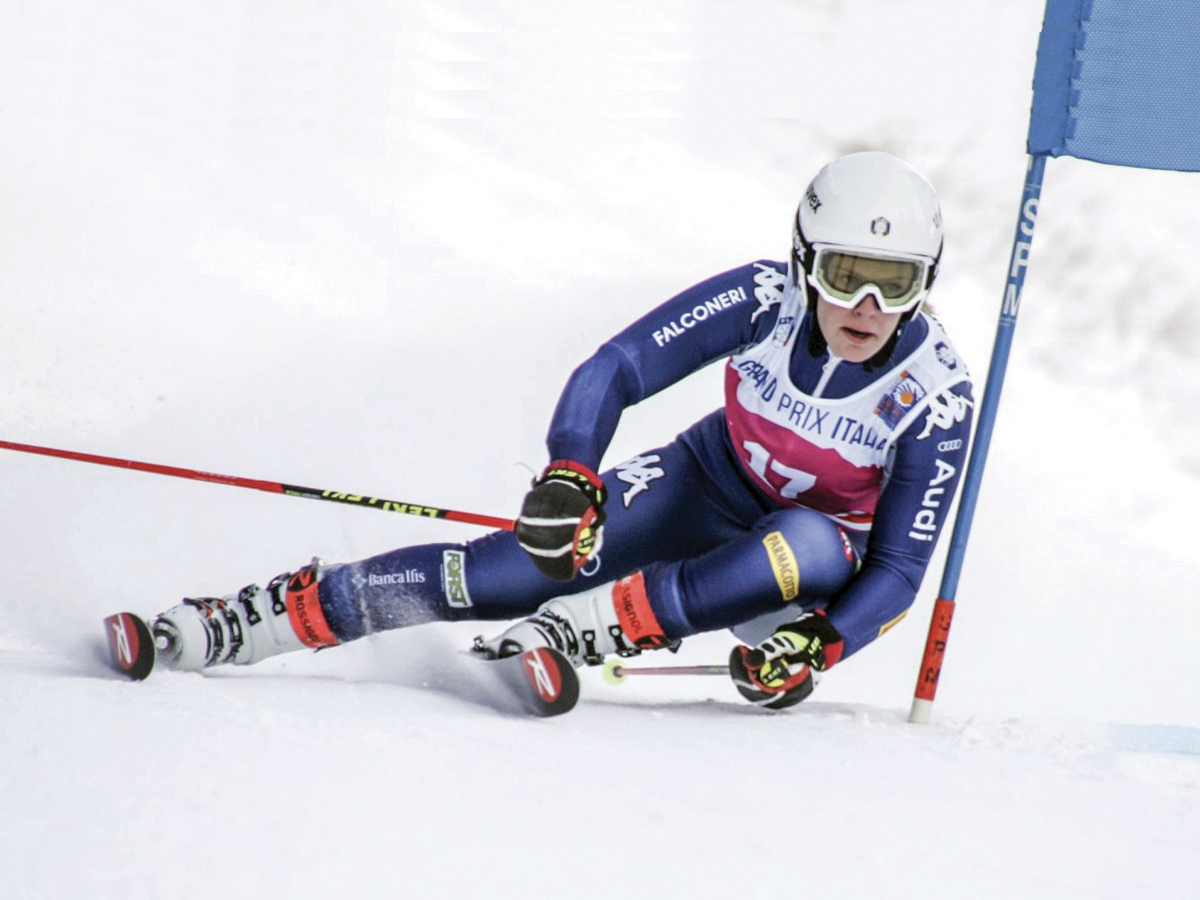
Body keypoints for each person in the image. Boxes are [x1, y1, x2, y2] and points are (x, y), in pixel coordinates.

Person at [149, 151, 974, 709]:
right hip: (703, 480)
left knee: (809, 540)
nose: (868, 309)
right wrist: (571, 472)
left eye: (895, 285)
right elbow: (617, 367)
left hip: (800, 582)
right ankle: (268, 617)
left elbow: (900, 566)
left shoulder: (933, 394)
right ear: (804, 262)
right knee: (502, 573)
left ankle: (579, 629)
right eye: (845, 277)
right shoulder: (764, 298)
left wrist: (823, 647)